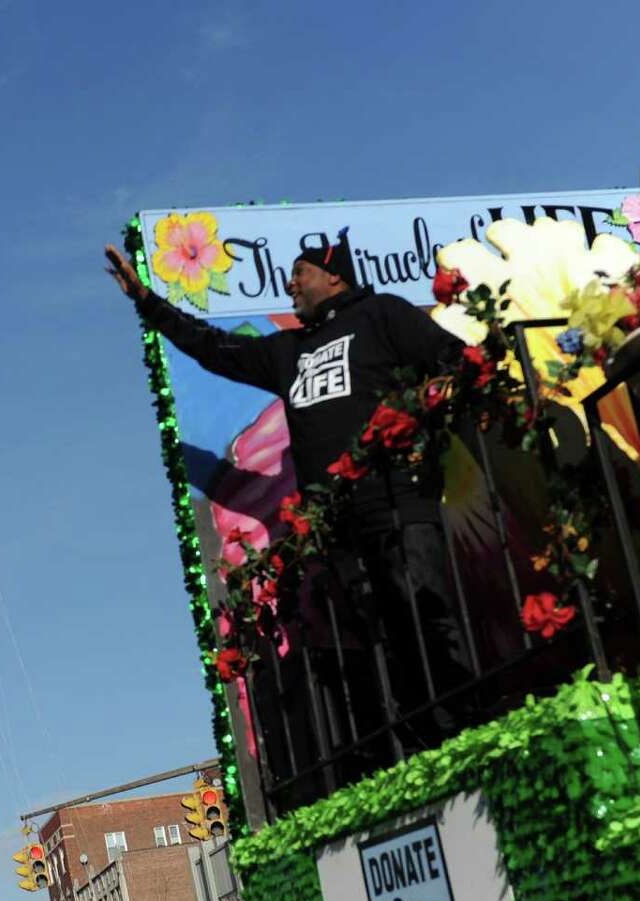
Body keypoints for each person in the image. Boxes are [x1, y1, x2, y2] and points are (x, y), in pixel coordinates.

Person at [106, 233, 470, 735]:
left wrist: (425, 420)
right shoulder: (289, 350)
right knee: (379, 637)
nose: (291, 283)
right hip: (337, 525)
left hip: (397, 500)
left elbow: (453, 359)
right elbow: (215, 348)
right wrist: (147, 303)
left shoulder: (382, 315)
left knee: (426, 617)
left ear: (332, 274)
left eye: (300, 273)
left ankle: (469, 724)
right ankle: (426, 745)